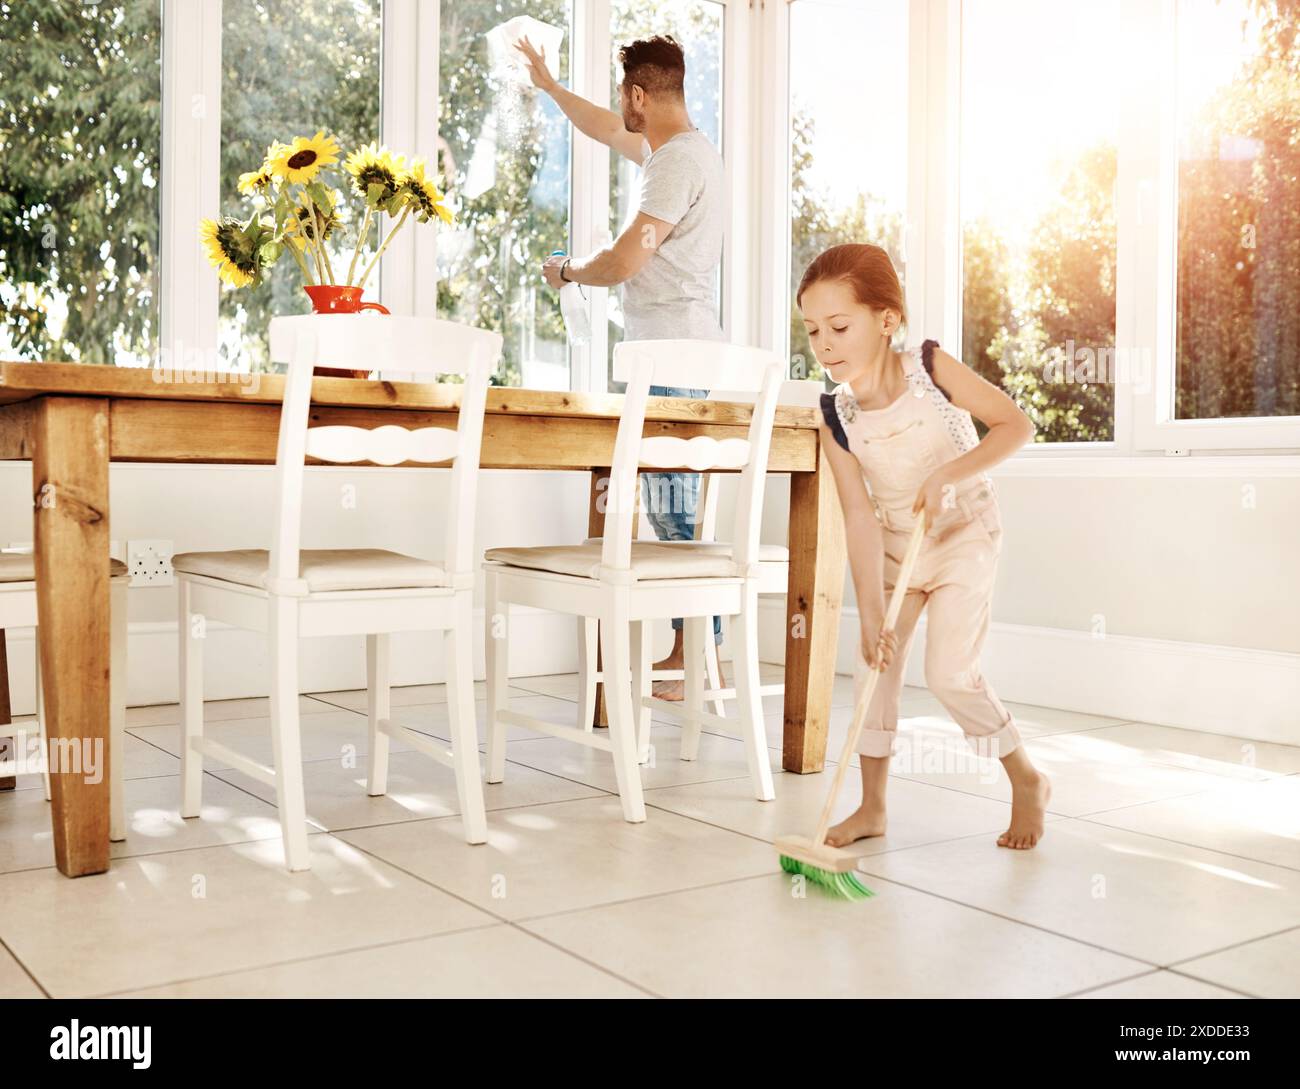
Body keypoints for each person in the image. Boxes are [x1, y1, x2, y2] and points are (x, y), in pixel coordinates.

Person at [799, 243, 1052, 849]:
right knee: (873, 672)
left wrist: (950, 474)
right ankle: (873, 808)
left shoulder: (931, 368)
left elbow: (1017, 425)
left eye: (838, 326)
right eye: (811, 331)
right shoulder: (835, 413)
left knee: (949, 674)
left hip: (964, 532)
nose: (824, 344)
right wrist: (870, 609)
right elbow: (858, 516)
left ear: (887, 321)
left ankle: (1025, 777)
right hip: (892, 545)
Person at [516, 32, 726, 700]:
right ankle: (696, 648)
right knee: (675, 502)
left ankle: (699, 650)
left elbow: (629, 258)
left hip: (669, 349)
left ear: (641, 93)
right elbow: (606, 128)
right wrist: (550, 87)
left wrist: (569, 270)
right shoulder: (681, 151)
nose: (620, 109)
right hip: (677, 345)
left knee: (673, 507)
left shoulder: (671, 165)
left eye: (624, 96)